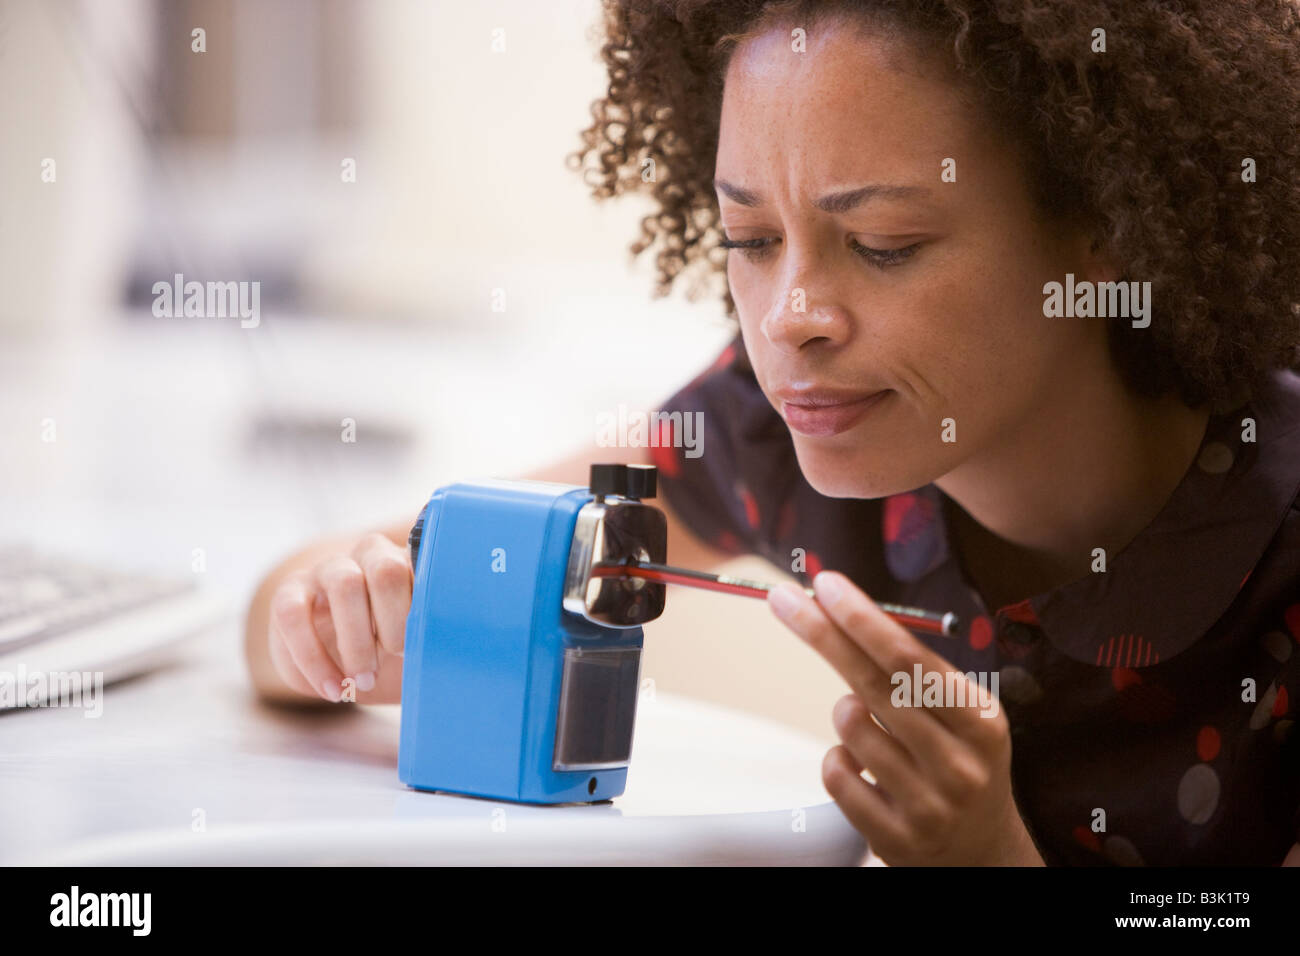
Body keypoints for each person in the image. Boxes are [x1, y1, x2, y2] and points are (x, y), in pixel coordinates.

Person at [245, 0, 1300, 865]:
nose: (790, 315)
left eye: (883, 243)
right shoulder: (759, 423)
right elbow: (299, 597)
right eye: (750, 237)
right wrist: (341, 622)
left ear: (1105, 232)